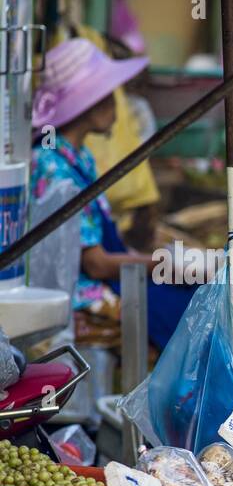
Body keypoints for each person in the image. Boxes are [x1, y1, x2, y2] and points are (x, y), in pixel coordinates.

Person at [30, 38, 189, 350]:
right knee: (186, 309)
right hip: (79, 291)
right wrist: (165, 264)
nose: (115, 104)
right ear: (91, 102)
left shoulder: (80, 157)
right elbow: (96, 264)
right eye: (108, 94)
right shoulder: (51, 166)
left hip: (99, 278)